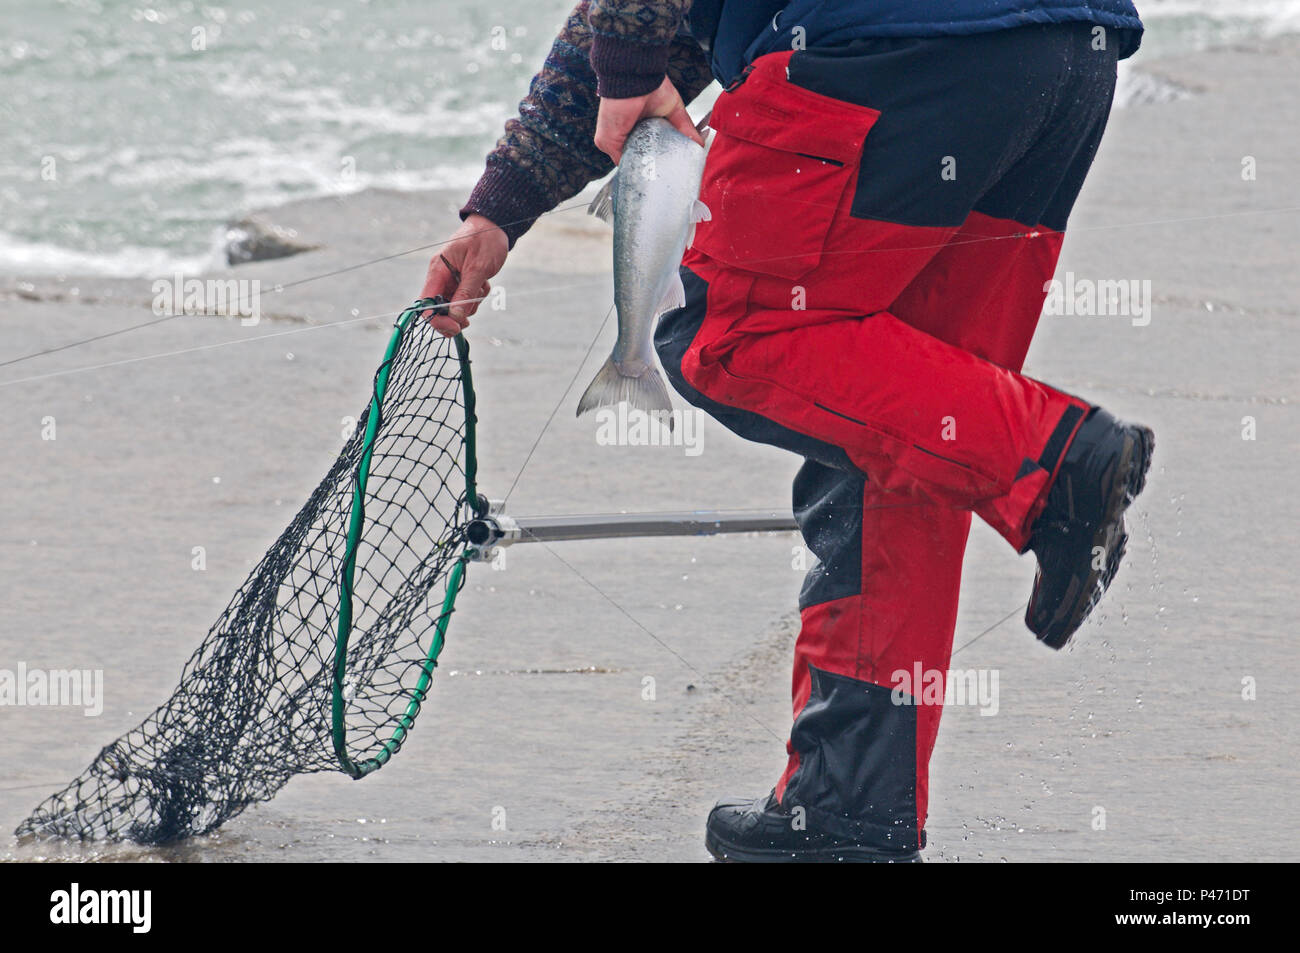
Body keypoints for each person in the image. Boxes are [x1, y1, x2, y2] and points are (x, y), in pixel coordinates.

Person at [422, 0, 1153, 862]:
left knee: (729, 329)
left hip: (886, 50)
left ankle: (1054, 460)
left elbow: (639, 33)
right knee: (899, 429)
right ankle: (848, 807)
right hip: (1061, 59)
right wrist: (502, 205)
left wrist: (625, 70)